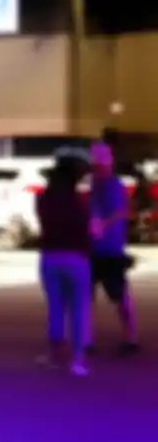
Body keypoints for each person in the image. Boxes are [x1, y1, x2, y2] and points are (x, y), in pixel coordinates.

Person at [36, 152, 93, 376]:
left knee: (56, 308)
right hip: (76, 257)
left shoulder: (43, 199)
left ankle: (55, 355)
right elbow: (86, 231)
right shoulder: (79, 203)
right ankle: (78, 360)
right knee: (79, 310)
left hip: (50, 256)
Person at [89, 142, 139, 356]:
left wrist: (102, 225)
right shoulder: (95, 184)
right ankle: (87, 337)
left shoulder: (111, 185)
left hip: (109, 248)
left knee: (119, 294)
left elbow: (121, 212)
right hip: (94, 247)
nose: (98, 168)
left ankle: (130, 336)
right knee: (87, 294)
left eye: (99, 164)